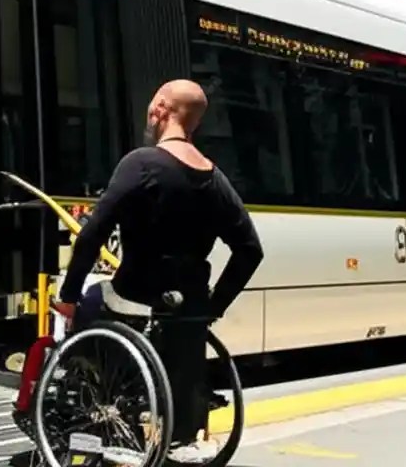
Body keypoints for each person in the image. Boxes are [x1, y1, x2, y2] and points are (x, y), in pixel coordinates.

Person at [53, 79, 264, 462]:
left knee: (86, 303)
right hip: (189, 307)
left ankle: (90, 416)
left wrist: (68, 297)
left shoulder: (141, 164)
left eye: (152, 106)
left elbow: (92, 234)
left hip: (136, 296)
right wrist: (213, 305)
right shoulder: (217, 181)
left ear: (161, 109)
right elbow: (250, 250)